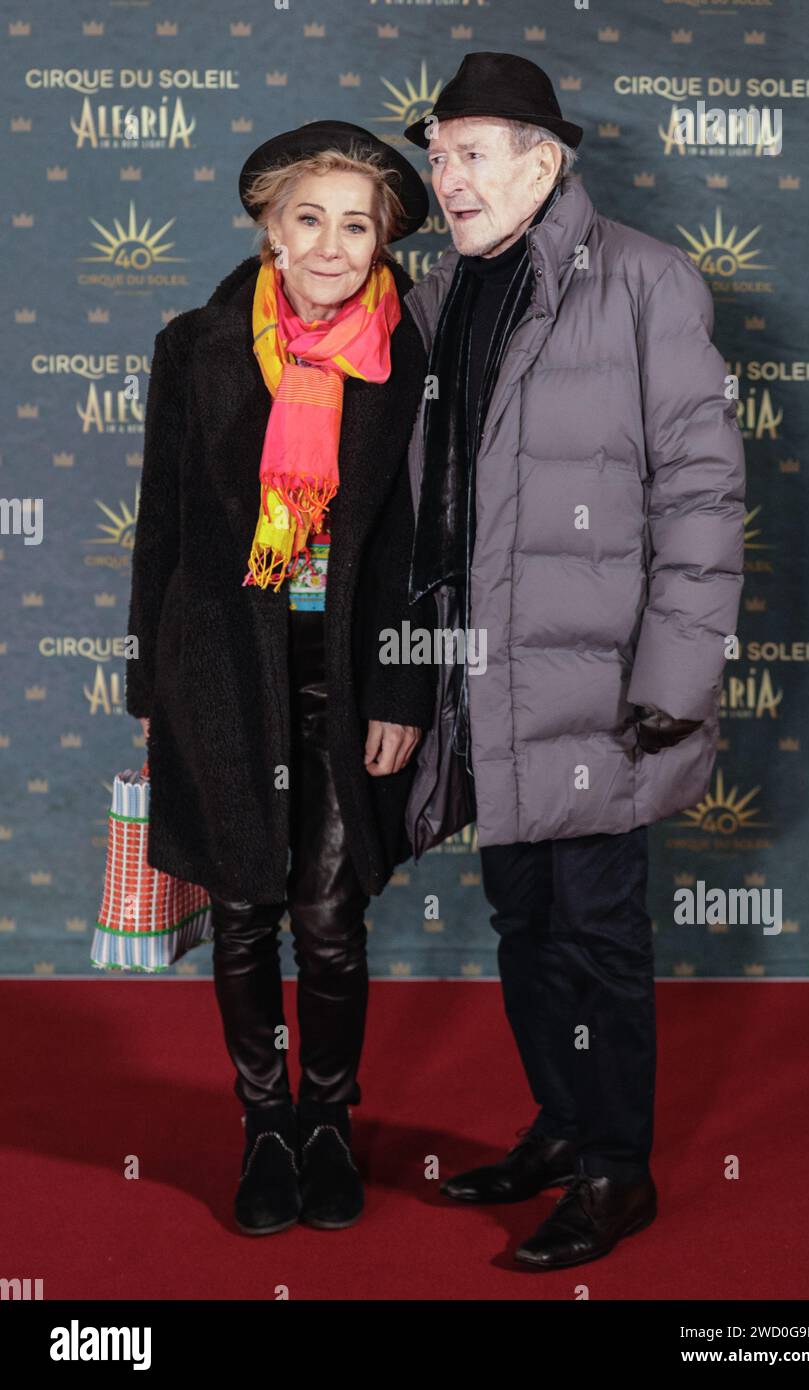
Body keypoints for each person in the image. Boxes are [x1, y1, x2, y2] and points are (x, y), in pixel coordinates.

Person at [401, 53, 746, 1268]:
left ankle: (615, 1172)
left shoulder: (647, 280)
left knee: (598, 934)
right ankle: (559, 1122)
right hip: (487, 680)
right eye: (435, 156)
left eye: (470, 153)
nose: (444, 177)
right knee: (522, 922)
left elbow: (702, 491)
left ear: (544, 164)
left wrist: (671, 680)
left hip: (603, 690)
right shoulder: (445, 292)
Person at [125, 122, 436, 1236]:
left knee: (328, 915)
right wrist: (147, 686)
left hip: (348, 674)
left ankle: (327, 1121)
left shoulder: (410, 359)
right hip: (220, 661)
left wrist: (406, 686)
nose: (331, 244)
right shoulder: (195, 345)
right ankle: (263, 1125)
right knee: (248, 904)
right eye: (310, 218)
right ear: (269, 226)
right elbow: (159, 527)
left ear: (382, 241)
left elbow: (416, 535)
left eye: (357, 225)